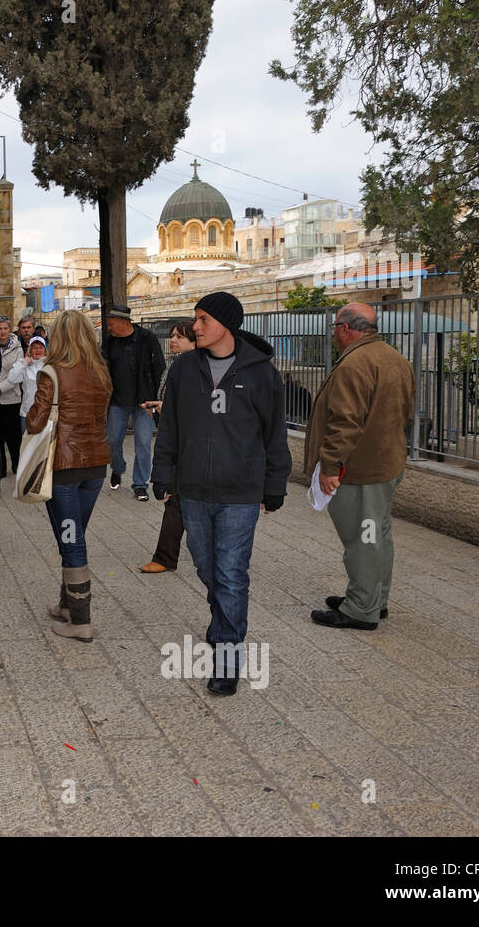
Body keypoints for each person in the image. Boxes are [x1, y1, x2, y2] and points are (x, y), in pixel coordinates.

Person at [151, 291, 290, 696]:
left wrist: (275, 484)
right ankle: (223, 623)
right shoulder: (183, 370)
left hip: (241, 493)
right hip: (193, 490)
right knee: (207, 568)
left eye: (202, 319)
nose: (195, 327)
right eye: (195, 319)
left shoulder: (261, 373)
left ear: (225, 324)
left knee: (231, 575)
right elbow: (170, 429)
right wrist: (163, 475)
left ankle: (227, 658)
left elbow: (274, 434)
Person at [306, 303, 415, 630]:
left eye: (335, 329)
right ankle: (372, 599)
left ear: (344, 329)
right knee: (378, 535)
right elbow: (407, 412)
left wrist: (329, 466)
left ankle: (360, 610)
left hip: (360, 470)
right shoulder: (394, 357)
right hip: (387, 464)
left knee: (362, 539)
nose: (335, 335)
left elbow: (345, 422)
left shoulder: (355, 363)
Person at [24, 310, 112, 643]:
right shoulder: (101, 371)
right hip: (94, 468)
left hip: (63, 470)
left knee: (72, 541)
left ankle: (81, 620)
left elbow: (34, 423)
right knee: (73, 536)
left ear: (58, 337)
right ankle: (66, 604)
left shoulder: (51, 372)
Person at [140, 320, 196, 573]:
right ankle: (166, 556)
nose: (172, 340)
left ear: (193, 342)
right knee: (178, 500)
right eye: (171, 336)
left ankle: (165, 557)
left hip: (188, 445)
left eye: (179, 337)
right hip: (172, 440)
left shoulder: (195, 369)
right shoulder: (174, 365)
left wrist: (167, 408)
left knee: (177, 500)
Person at [102, 303, 166, 499]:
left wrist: (157, 398)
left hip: (144, 402)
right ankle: (118, 468)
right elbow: (102, 368)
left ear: (123, 322)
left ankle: (140, 484)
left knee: (144, 444)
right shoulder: (109, 342)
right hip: (117, 401)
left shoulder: (147, 338)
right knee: (113, 441)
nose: (109, 328)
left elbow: (159, 367)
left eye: (111, 324)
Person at [0, 316, 24, 493]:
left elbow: (17, 374)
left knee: (13, 436)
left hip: (12, 397)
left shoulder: (18, 348)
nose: (2, 331)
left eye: (5, 328)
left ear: (9, 329)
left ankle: (17, 464)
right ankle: (0, 468)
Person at [9, 335, 47, 432]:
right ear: (30, 350)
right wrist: (23, 363)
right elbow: (12, 379)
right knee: (27, 445)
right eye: (34, 347)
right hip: (27, 412)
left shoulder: (50, 365)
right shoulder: (24, 365)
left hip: (46, 412)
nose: (38, 350)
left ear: (45, 350)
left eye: (41, 347)